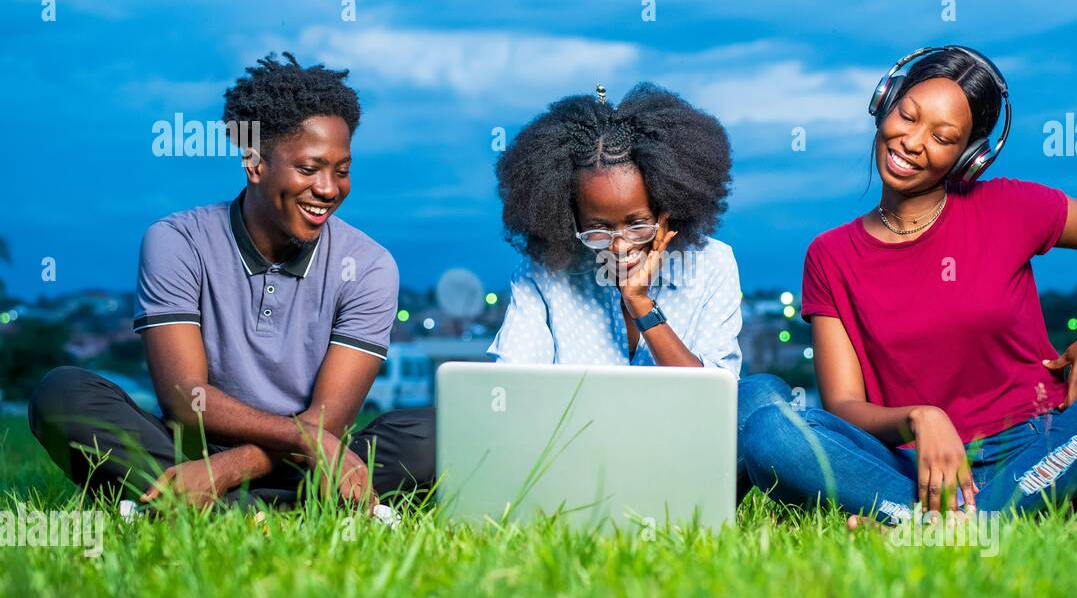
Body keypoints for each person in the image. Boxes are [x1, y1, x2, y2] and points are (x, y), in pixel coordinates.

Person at [740, 46, 1077, 526]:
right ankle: (1016, 520)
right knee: (772, 431)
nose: (913, 142)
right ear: (884, 104)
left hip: (1042, 443)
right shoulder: (829, 254)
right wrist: (917, 417)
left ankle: (951, 524)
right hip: (915, 465)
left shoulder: (1011, 206)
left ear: (970, 156)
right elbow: (844, 405)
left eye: (942, 137)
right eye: (908, 116)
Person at [28, 52, 435, 512]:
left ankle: (194, 508)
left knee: (436, 434)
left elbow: (328, 425)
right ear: (255, 163)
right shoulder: (176, 240)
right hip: (195, 449)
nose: (329, 188)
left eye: (342, 171)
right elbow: (186, 399)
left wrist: (225, 471)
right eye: (308, 169)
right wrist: (230, 457)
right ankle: (286, 512)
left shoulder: (370, 265)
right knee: (62, 394)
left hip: (310, 459)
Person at [489, 83, 787, 497]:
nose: (619, 245)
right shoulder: (545, 270)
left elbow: (709, 404)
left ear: (670, 207)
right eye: (596, 228)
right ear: (566, 216)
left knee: (761, 396)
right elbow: (514, 388)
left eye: (637, 223)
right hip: (576, 459)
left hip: (684, 456)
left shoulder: (713, 263)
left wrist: (641, 303)